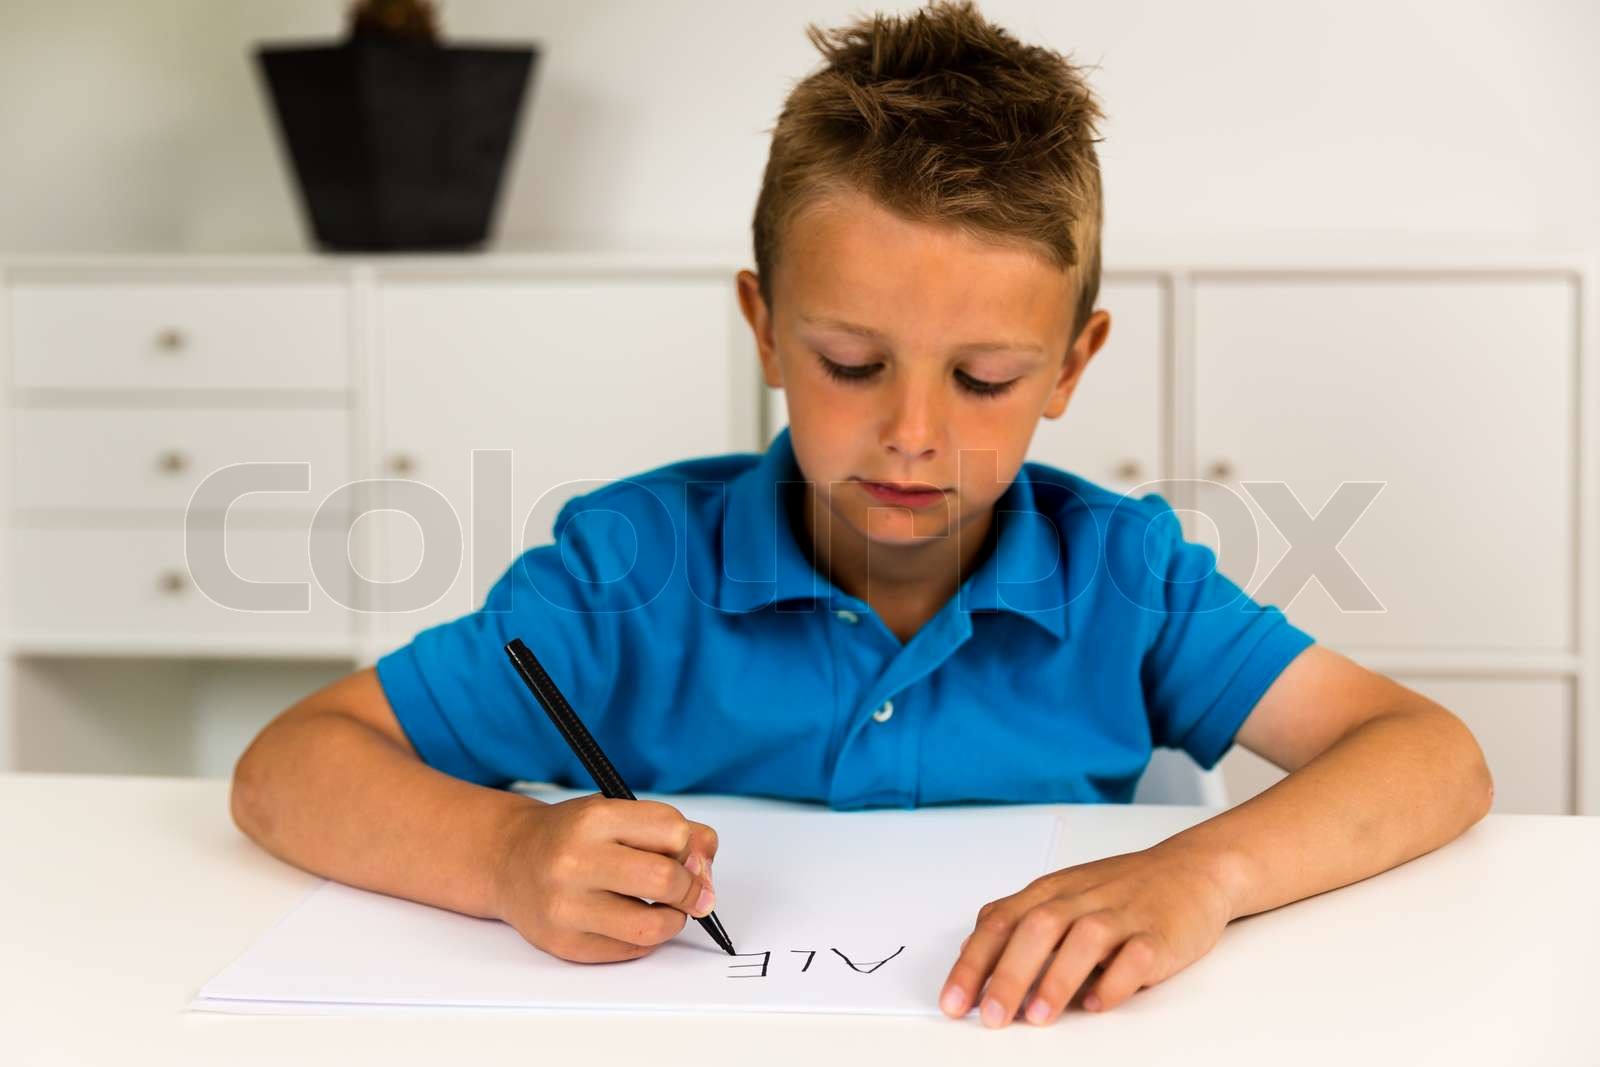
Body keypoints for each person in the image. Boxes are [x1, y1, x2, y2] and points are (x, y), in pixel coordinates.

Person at [230, 0, 1493, 1029]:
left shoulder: (1126, 574)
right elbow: (287, 769)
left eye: (986, 378)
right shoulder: (628, 571)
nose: (914, 433)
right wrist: (506, 853)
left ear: (1070, 364)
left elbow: (1429, 750)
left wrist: (1197, 873)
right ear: (766, 326)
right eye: (851, 361)